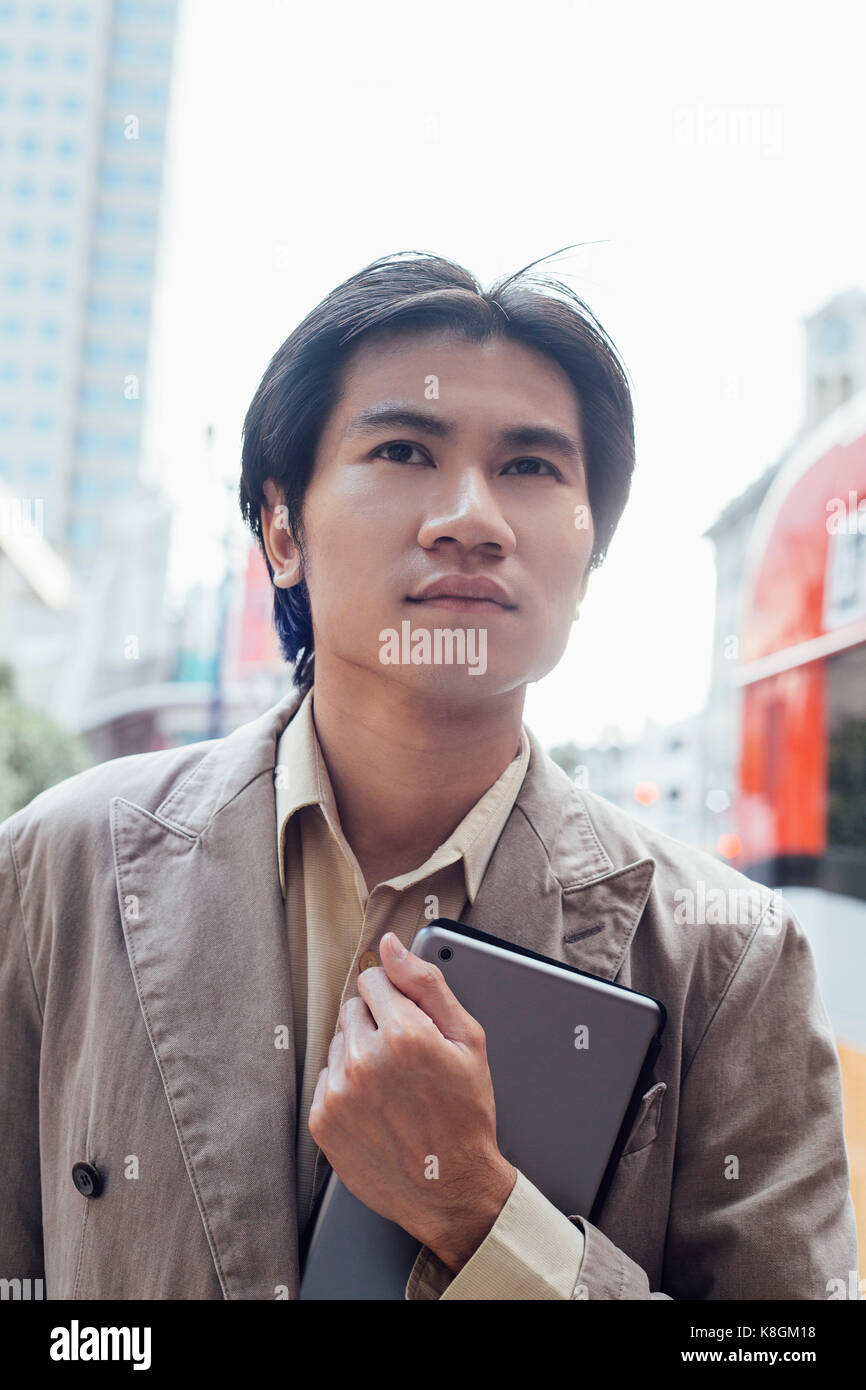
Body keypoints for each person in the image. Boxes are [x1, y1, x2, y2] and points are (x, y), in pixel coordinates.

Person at [0, 250, 858, 1300]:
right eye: (404, 448)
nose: (471, 517)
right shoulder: (55, 868)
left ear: (587, 560)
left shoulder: (729, 957)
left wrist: (480, 1212)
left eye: (531, 468)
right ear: (280, 528)